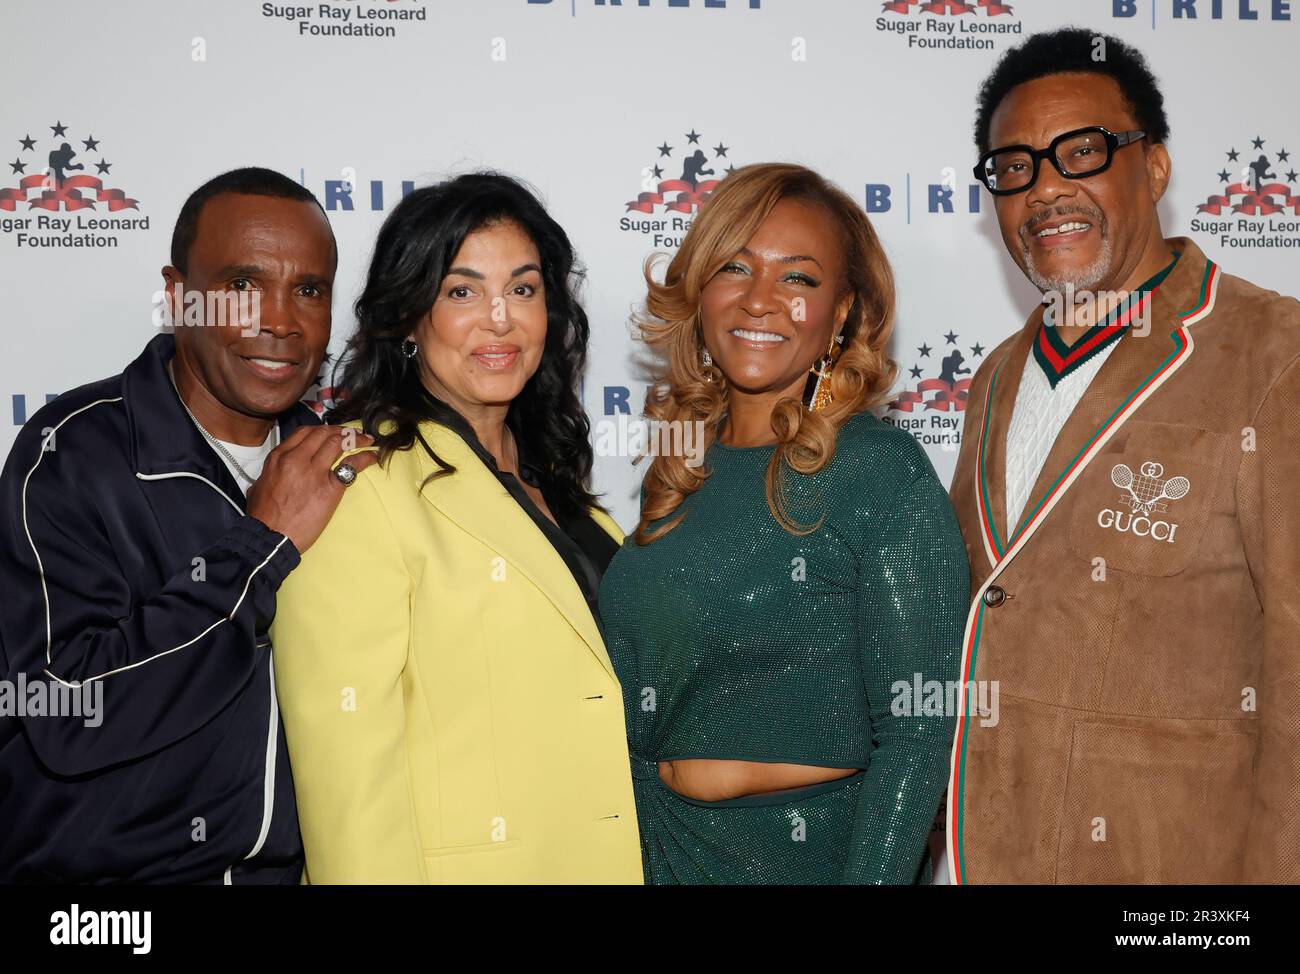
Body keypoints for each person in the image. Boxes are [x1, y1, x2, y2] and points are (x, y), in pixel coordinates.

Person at [946, 28, 1300, 884]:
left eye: (1082, 152)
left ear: (1156, 168)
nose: (1046, 190)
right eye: (1016, 166)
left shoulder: (1273, 356)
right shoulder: (995, 375)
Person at [0, 166, 374, 883]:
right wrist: (261, 547)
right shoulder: (71, 453)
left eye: (309, 290)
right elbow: (70, 709)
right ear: (179, 297)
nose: (282, 322)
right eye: (243, 285)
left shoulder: (340, 461)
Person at [598, 163, 969, 884]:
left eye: (798, 279)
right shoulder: (677, 471)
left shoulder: (880, 471)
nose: (761, 301)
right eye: (734, 267)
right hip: (657, 852)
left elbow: (917, 733)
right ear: (700, 291)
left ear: (841, 313)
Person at [271, 172, 643, 884]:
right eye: (462, 290)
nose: (499, 318)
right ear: (410, 316)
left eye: (524, 289)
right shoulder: (358, 479)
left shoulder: (561, 489)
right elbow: (349, 784)